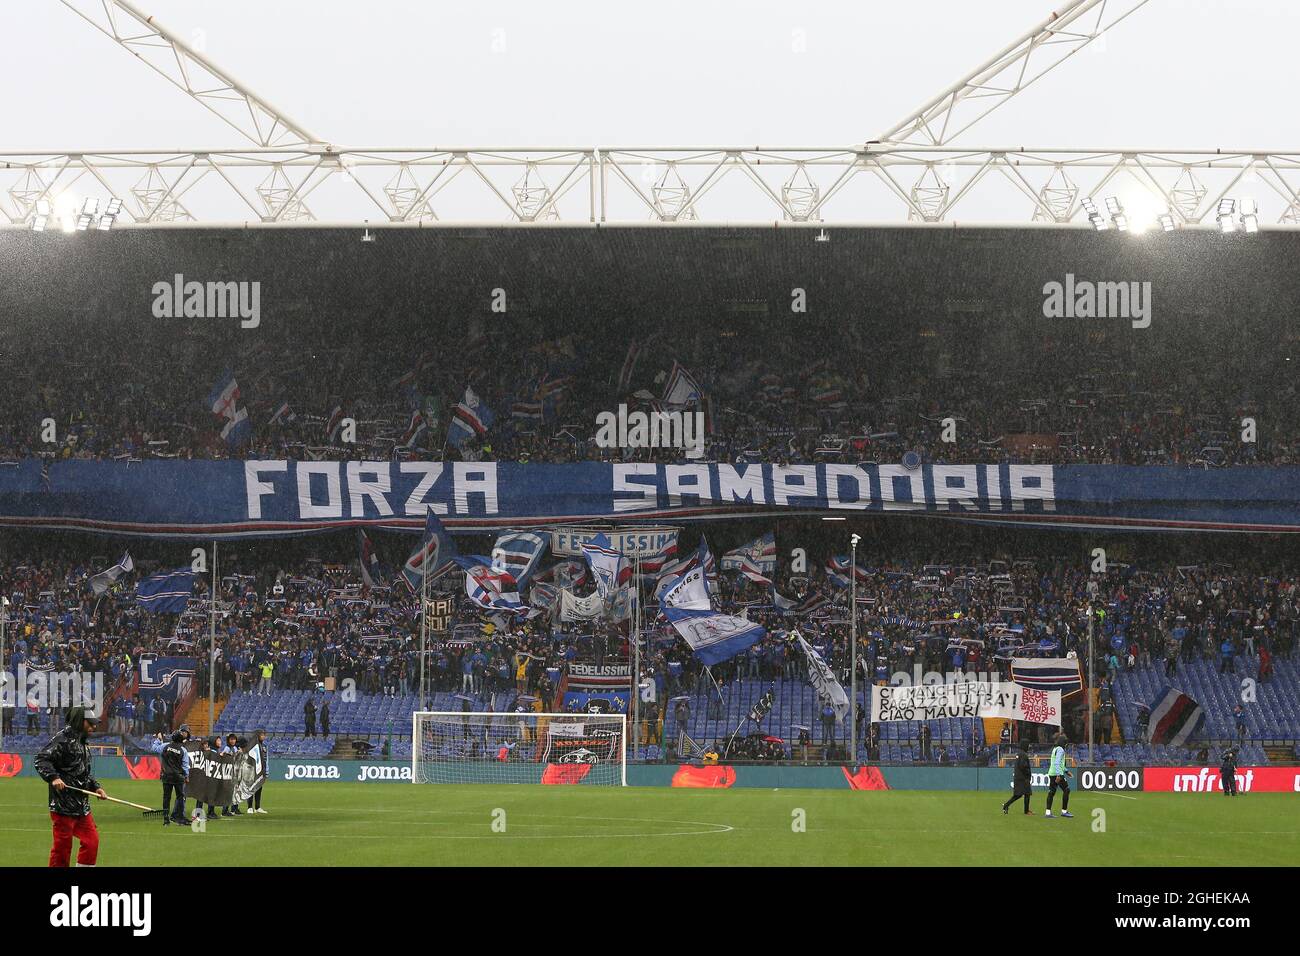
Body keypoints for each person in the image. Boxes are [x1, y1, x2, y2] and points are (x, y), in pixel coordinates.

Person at [34, 706, 107, 867]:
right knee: (62, 848)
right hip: (62, 806)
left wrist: (96, 787)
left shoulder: (83, 743)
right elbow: (41, 759)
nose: (94, 726)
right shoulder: (62, 739)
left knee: (92, 842)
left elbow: (83, 772)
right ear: (80, 721)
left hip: (82, 806)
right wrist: (54, 778)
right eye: (90, 723)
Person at [150, 731, 191, 826]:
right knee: (180, 797)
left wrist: (158, 740)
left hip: (166, 775)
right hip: (178, 777)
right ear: (181, 740)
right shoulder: (183, 750)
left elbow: (154, 748)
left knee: (166, 798)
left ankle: (166, 820)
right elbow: (185, 765)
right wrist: (186, 776)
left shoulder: (165, 746)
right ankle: (180, 818)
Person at [1044, 733, 1074, 818]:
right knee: (1066, 790)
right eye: (1066, 743)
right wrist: (1058, 775)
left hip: (1051, 773)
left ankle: (1048, 812)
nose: (1066, 744)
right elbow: (1057, 763)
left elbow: (1059, 763)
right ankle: (1064, 811)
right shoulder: (1061, 750)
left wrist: (1066, 771)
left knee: (1051, 792)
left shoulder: (1055, 749)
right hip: (1057, 774)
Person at [1001, 740, 1033, 815]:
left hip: (1018, 777)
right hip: (1023, 778)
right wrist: (1028, 773)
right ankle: (1026, 811)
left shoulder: (1019, 753)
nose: (1028, 746)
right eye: (1028, 745)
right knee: (1027, 793)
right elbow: (1023, 766)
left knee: (1018, 795)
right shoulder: (1023, 754)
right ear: (1025, 745)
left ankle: (1006, 805)